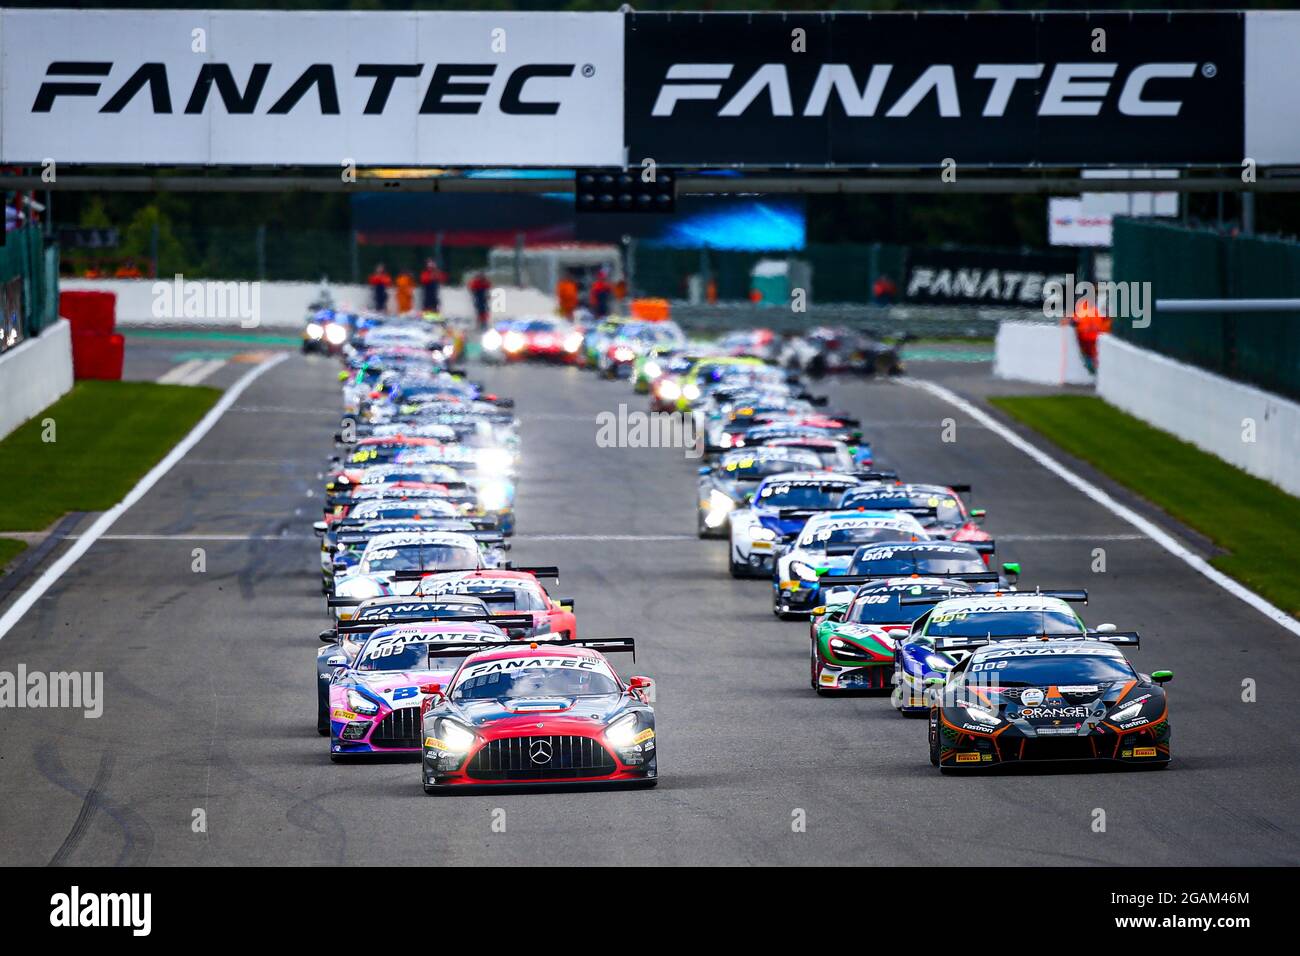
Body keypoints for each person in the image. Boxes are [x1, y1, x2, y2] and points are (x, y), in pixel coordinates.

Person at [1070, 297, 1112, 374]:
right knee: (1094, 354)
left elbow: (1074, 322)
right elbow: (1104, 321)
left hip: (1084, 337)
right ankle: (1094, 367)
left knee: (1087, 354)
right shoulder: (1095, 312)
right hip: (1095, 337)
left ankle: (1092, 367)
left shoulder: (1081, 312)